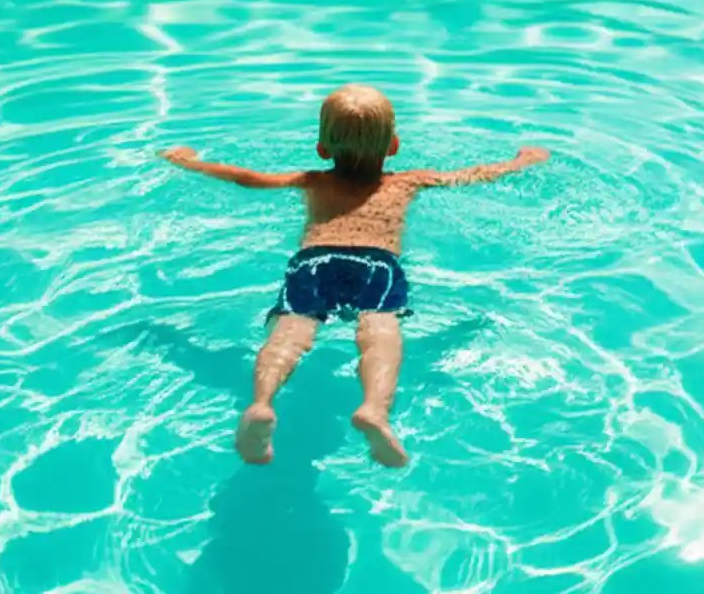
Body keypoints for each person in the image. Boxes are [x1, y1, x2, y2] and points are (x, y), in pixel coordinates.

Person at [160, 84, 549, 467]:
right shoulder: (407, 181)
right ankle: (374, 409)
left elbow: (244, 176)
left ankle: (261, 404)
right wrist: (522, 162)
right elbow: (472, 176)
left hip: (314, 260)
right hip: (376, 264)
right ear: (393, 145)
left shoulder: (313, 180)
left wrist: (188, 161)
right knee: (380, 330)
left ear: (322, 149)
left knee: (291, 332)